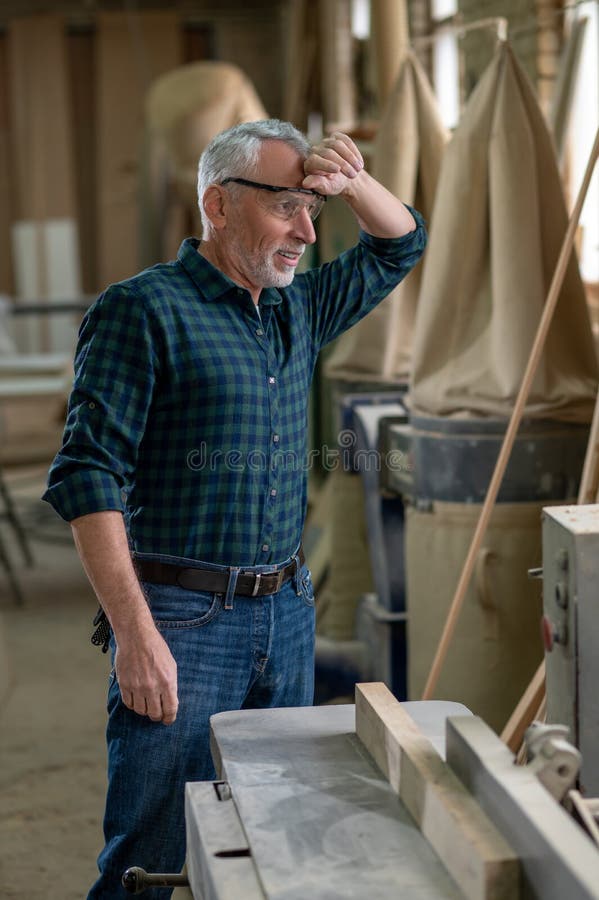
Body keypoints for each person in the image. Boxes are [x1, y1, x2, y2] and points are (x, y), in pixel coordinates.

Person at [44, 119, 426, 899]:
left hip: (285, 610)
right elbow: (87, 476)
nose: (306, 232)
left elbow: (401, 243)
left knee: (264, 837)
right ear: (217, 205)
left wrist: (348, 181)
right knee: (152, 855)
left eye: (312, 209)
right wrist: (134, 634)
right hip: (181, 622)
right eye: (287, 206)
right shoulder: (142, 311)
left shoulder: (298, 308)